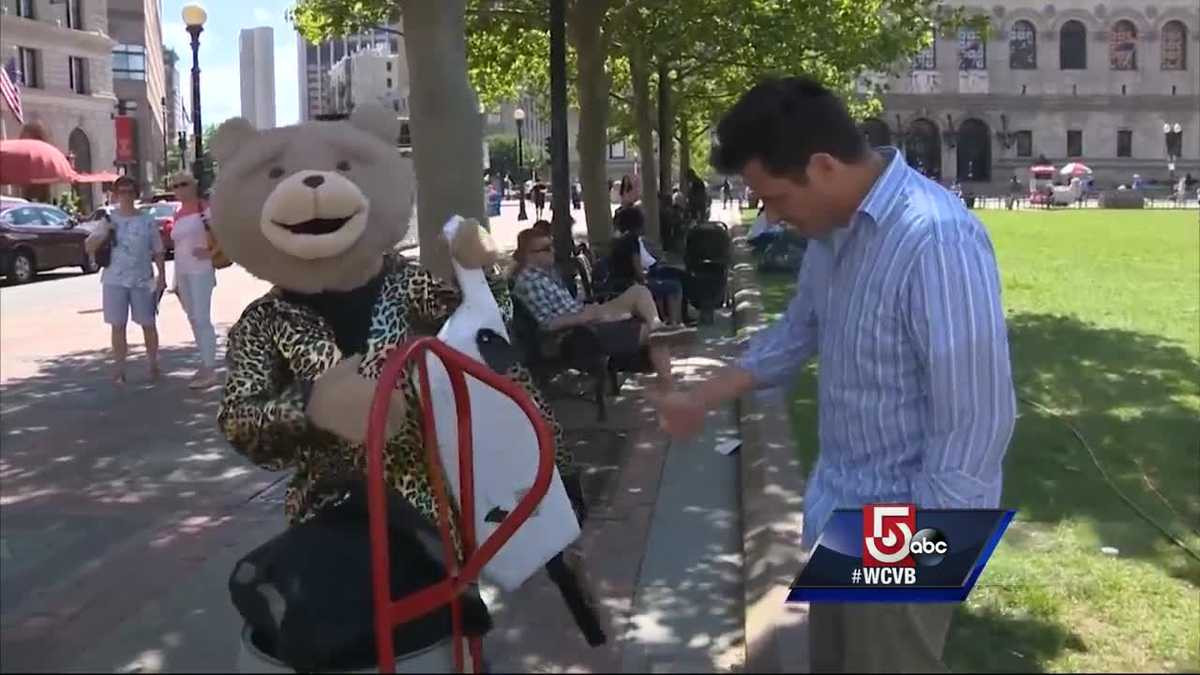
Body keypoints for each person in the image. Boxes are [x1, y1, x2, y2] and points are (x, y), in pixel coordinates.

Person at [652, 76, 1016, 673]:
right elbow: (799, 331)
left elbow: (975, 426)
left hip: (910, 532)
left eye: (773, 198)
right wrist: (712, 389)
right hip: (842, 512)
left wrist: (915, 568)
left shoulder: (936, 238)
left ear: (821, 167)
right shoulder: (832, 234)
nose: (768, 216)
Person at [511, 228, 694, 392]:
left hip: (586, 317)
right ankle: (668, 385)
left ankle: (658, 325)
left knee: (639, 292)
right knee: (652, 334)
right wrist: (582, 317)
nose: (552, 251)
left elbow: (562, 308)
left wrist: (588, 310)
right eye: (545, 249)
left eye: (551, 246)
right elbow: (547, 325)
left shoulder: (544, 274)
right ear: (528, 254)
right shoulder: (529, 281)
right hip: (577, 334)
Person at [86, 174, 167, 385]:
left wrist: (162, 276)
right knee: (117, 325)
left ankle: (153, 363)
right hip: (114, 279)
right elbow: (89, 247)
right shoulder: (108, 218)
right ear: (115, 194)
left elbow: (158, 249)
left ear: (136, 193)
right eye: (122, 191)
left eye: (130, 191)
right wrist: (105, 233)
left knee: (148, 323)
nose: (126, 195)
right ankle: (119, 368)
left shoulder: (147, 219)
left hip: (142, 278)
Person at [165, 171, 220, 389]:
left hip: (201, 270)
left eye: (184, 184)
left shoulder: (204, 208)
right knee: (193, 318)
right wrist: (175, 280)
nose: (180, 189)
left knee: (201, 317)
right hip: (182, 272)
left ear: (194, 185)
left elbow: (224, 233)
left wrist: (212, 252)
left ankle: (210, 368)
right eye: (175, 185)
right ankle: (205, 362)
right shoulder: (178, 213)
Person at [612, 206, 688, 325]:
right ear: (637, 224)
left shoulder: (622, 239)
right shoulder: (632, 241)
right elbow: (638, 273)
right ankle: (675, 323)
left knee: (661, 281)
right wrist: (648, 278)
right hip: (629, 286)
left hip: (620, 283)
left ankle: (664, 319)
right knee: (674, 286)